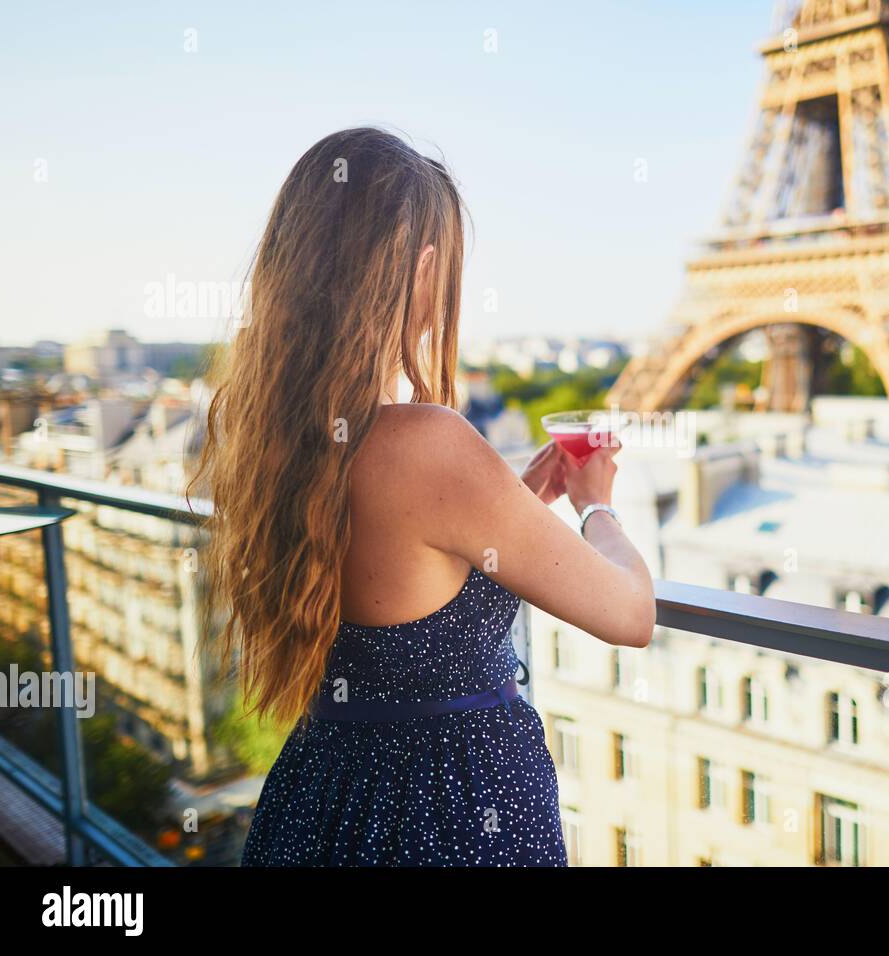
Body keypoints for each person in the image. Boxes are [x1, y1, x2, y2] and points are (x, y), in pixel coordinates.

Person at [190, 127, 655, 866]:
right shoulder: (427, 443)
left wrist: (513, 503)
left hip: (325, 798)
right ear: (427, 270)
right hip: (452, 813)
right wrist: (596, 503)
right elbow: (631, 614)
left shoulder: (269, 437)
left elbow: (412, 568)